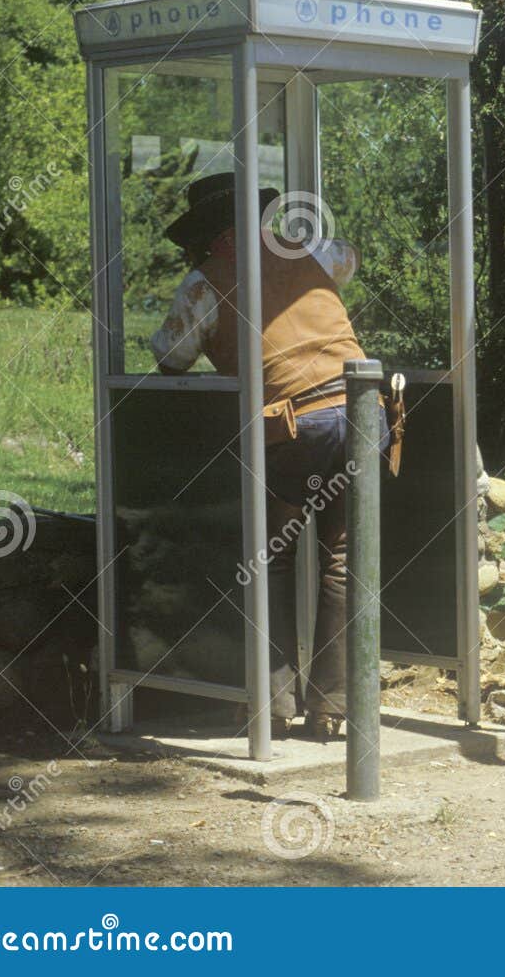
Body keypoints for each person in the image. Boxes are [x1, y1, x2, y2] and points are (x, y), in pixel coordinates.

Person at [152, 172, 384, 739]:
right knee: (346, 562)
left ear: (211, 235)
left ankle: (272, 707)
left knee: (271, 559)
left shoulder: (204, 281)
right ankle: (334, 709)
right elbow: (350, 256)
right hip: (363, 411)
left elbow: (171, 357)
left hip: (294, 426)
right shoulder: (311, 253)